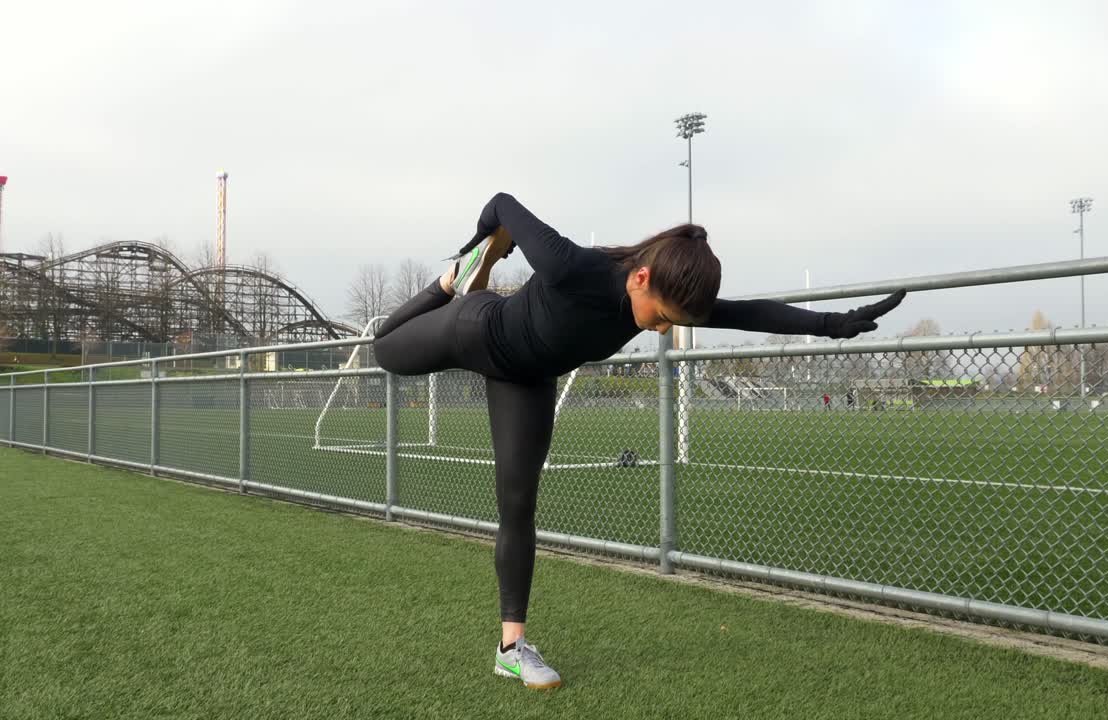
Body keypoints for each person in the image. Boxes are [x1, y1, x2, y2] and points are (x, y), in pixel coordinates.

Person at [372, 192, 906, 690]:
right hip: (477, 330)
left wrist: (834, 323)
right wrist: (480, 242)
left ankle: (511, 648)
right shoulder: (572, 265)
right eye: (664, 318)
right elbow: (502, 204)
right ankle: (453, 283)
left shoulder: (660, 293)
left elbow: (751, 311)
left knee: (517, 504)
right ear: (640, 278)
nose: (663, 331)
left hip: (528, 380)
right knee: (385, 351)